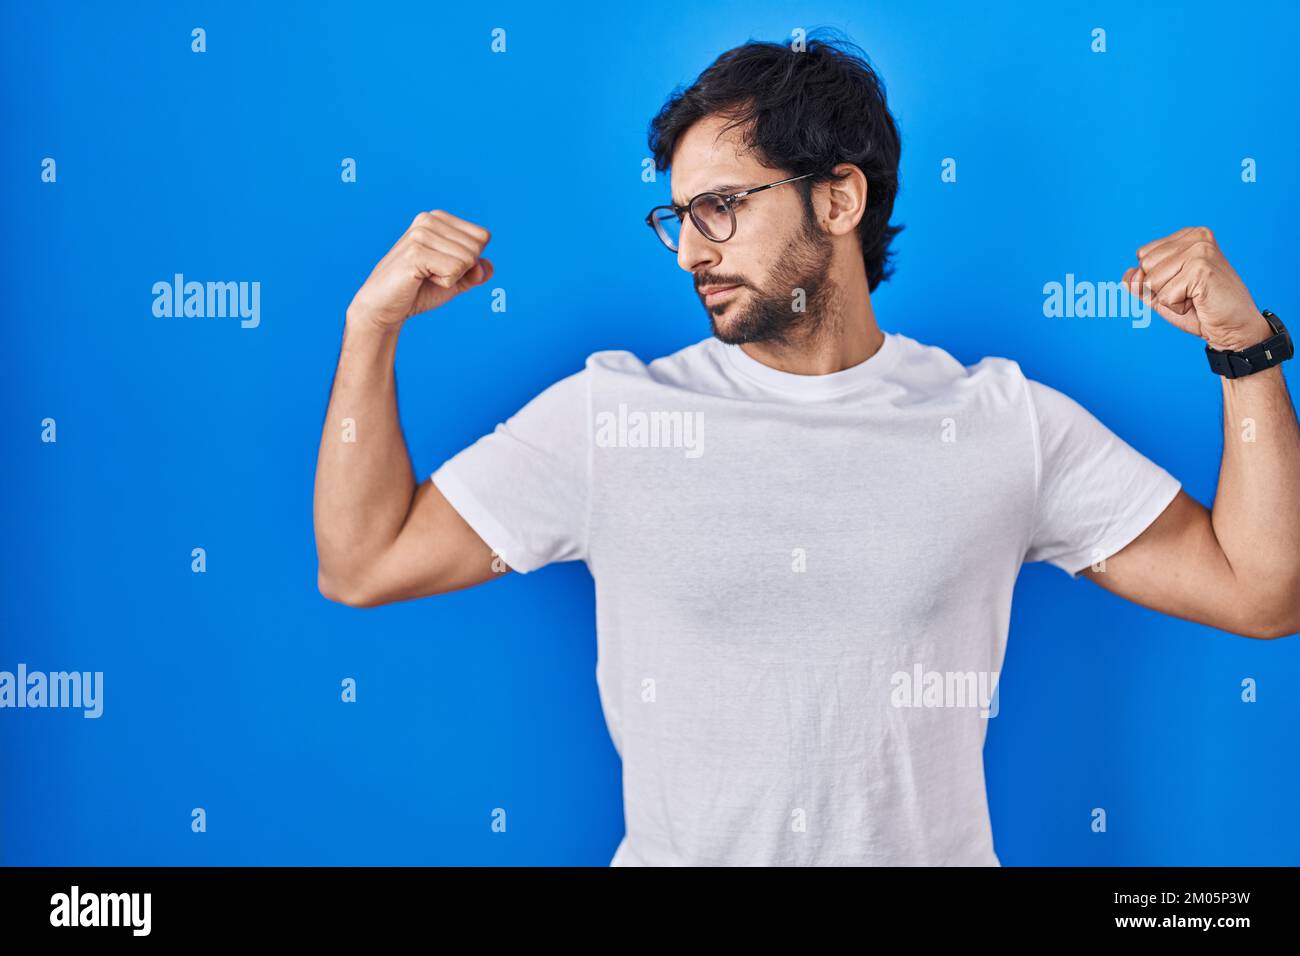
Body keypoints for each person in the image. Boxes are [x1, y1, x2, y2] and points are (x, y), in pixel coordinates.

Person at [312, 37, 1300, 866]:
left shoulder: (999, 419)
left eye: (722, 206)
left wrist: (1243, 350)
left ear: (837, 201)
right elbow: (364, 562)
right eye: (678, 216)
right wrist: (370, 327)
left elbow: (1262, 591)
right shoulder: (612, 413)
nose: (692, 249)